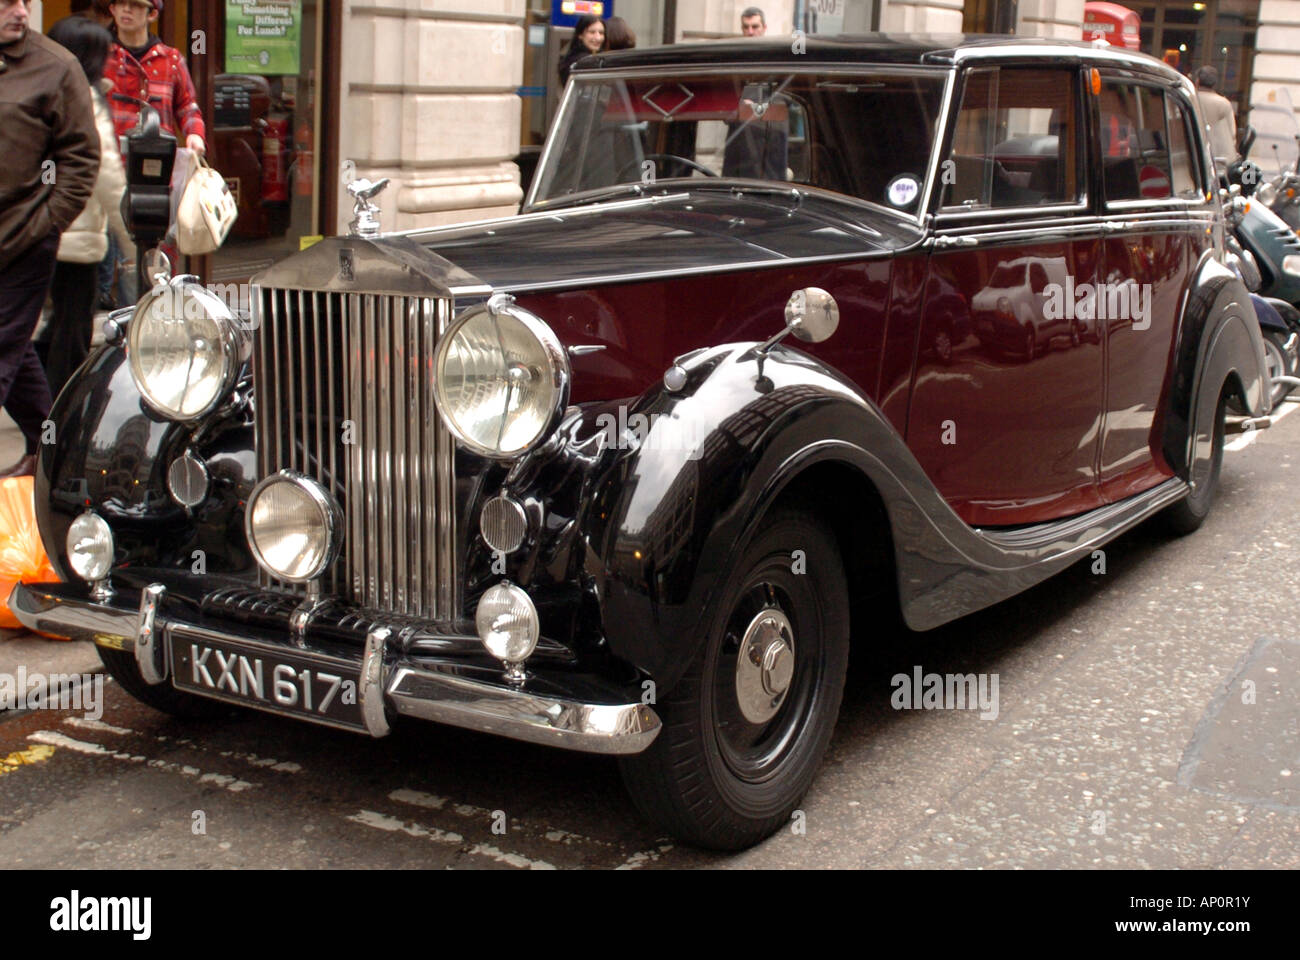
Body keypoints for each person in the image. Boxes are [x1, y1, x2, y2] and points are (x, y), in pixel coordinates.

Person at [0, 0, 100, 478]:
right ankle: (60, 454)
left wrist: (45, 225)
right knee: (17, 361)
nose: (20, 12)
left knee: (3, 348)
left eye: (26, 2)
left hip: (23, 242)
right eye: (6, 3)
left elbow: (82, 162)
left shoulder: (56, 66)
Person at [43, 16, 130, 400]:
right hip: (75, 237)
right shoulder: (86, 98)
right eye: (105, 53)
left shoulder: (42, 90)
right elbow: (107, 173)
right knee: (72, 328)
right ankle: (60, 412)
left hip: (41, 229)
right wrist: (133, 241)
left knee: (55, 321)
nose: (110, 59)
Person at [1195, 65, 1237, 163]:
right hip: (1214, 155)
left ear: (1197, 81)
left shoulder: (1190, 98)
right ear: (1215, 83)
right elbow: (1231, 133)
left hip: (1190, 152)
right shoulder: (1223, 103)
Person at [558, 15, 604, 86]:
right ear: (580, 35)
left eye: (601, 33)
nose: (598, 38)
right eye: (592, 32)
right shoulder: (582, 61)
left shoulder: (571, 58)